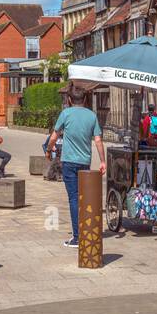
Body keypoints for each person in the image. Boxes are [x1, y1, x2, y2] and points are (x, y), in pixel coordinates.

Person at [49, 86, 106, 247]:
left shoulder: (65, 113)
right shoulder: (92, 115)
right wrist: (102, 161)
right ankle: (87, 229)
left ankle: (77, 236)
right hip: (85, 162)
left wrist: (49, 149)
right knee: (85, 197)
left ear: (69, 100)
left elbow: (54, 136)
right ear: (86, 99)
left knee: (74, 198)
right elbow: (98, 140)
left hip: (68, 162)